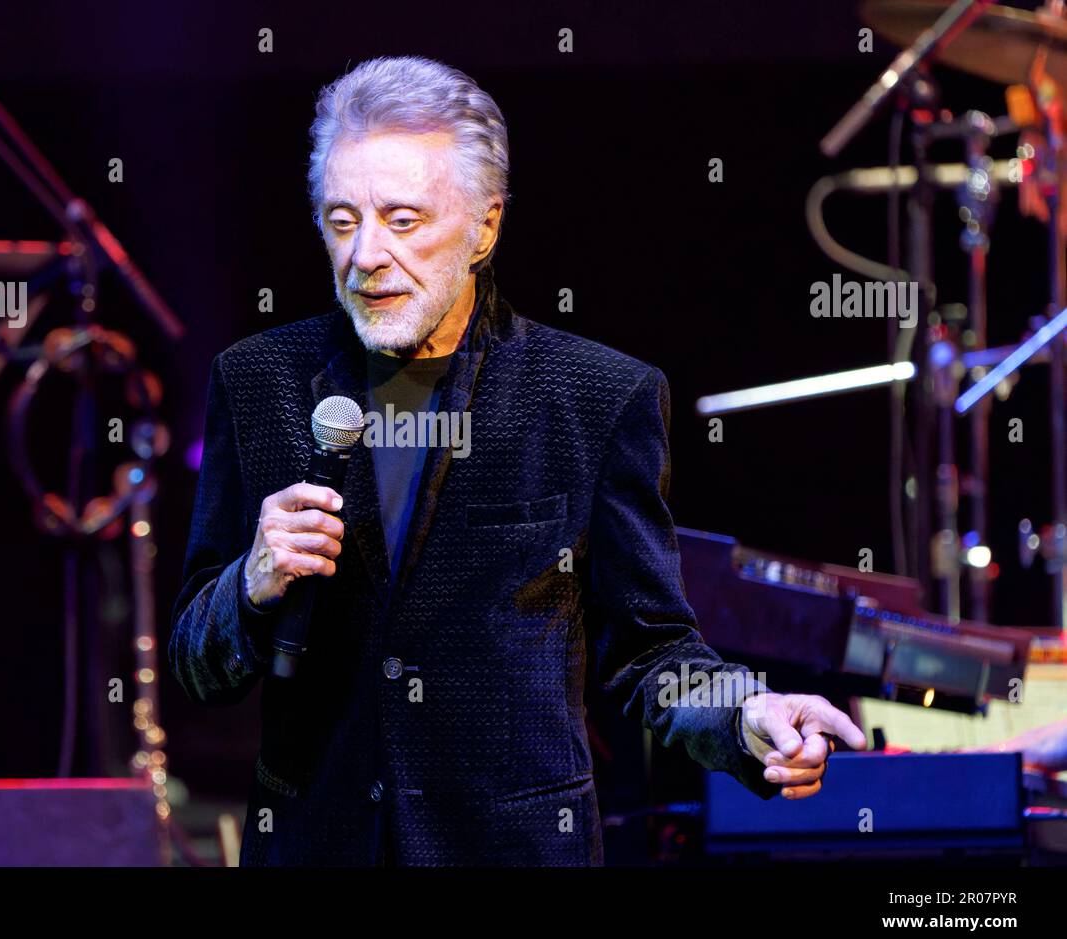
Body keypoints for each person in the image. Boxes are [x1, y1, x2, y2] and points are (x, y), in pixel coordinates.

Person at [169, 55, 866, 866]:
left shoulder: (594, 396)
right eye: (341, 220)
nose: (364, 255)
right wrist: (248, 586)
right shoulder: (259, 383)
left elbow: (649, 650)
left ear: (484, 228)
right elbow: (195, 666)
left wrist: (745, 713)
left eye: (402, 220)